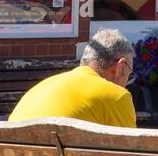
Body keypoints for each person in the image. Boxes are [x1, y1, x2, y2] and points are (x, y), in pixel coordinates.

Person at [8, 28, 138, 128]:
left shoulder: (42, 86)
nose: (127, 82)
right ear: (120, 66)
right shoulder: (116, 96)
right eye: (129, 73)